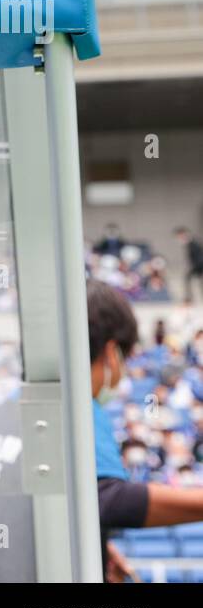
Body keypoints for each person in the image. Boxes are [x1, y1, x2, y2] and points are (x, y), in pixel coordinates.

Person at [87, 278, 203, 581]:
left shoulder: (18, 405)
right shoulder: (79, 407)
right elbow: (105, 500)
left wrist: (95, 546)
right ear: (112, 353)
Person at [174, 227, 203, 303]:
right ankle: (189, 298)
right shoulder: (188, 243)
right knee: (187, 279)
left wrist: (193, 267)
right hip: (196, 266)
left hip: (199, 266)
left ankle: (189, 299)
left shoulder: (193, 242)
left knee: (191, 279)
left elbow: (199, 256)